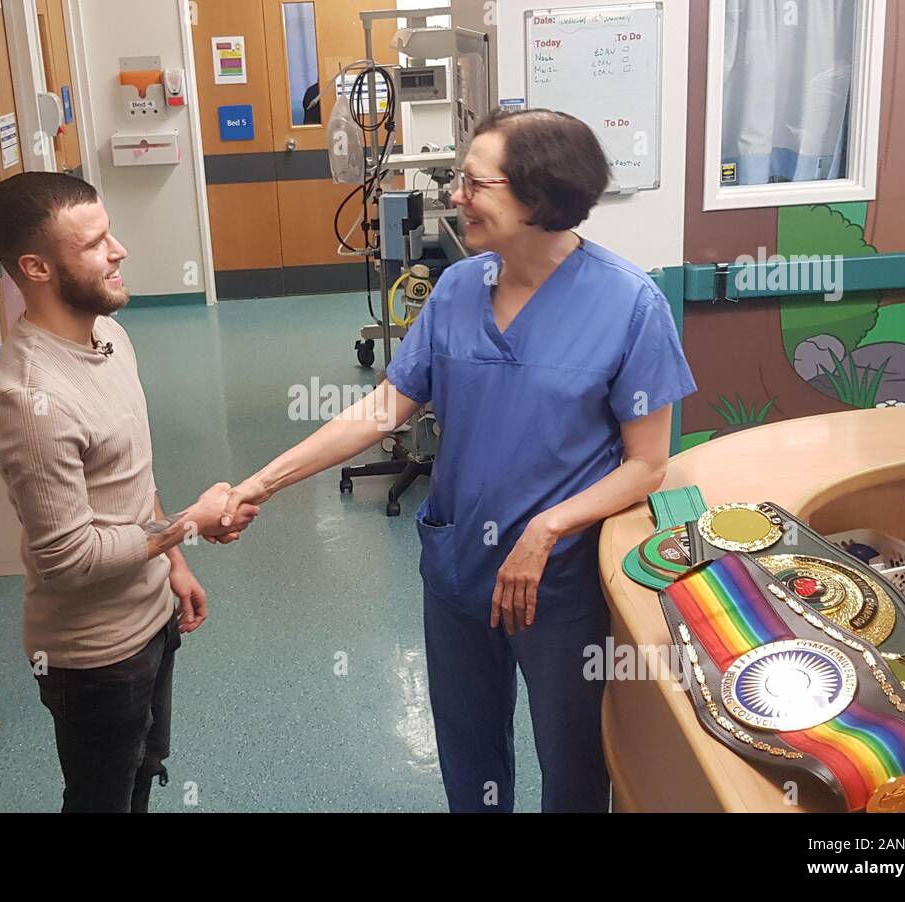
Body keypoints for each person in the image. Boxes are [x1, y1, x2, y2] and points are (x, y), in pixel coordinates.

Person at [222, 109, 697, 812]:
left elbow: (648, 465)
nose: (455, 196)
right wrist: (261, 484)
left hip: (561, 581)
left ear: (538, 196)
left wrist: (547, 530)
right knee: (468, 753)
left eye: (474, 183)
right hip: (458, 565)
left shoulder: (630, 304)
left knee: (574, 761)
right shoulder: (456, 290)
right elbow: (384, 410)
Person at [0, 172, 258, 813]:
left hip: (152, 615)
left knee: (143, 770)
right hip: (96, 655)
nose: (119, 250)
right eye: (96, 242)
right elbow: (69, 560)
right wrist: (190, 524)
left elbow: (132, 477)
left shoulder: (107, 336)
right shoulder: (31, 399)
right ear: (36, 267)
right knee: (102, 798)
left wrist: (173, 563)